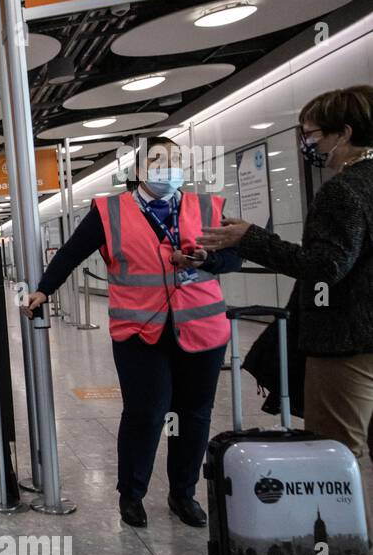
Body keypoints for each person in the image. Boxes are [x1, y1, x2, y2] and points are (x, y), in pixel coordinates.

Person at [22, 136, 240, 529]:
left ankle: (183, 493)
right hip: (140, 331)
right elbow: (71, 253)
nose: (168, 168)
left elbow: (235, 256)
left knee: (193, 414)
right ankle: (132, 494)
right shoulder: (110, 212)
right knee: (147, 411)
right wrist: (43, 289)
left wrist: (210, 258)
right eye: (158, 161)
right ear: (138, 170)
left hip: (201, 328)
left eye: (175, 161)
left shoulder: (204, 207)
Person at [199, 86, 373, 535]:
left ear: (345, 133)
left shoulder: (344, 192)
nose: (308, 143)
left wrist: (251, 239)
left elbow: (323, 268)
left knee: (338, 454)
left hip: (348, 344)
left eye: (313, 134)